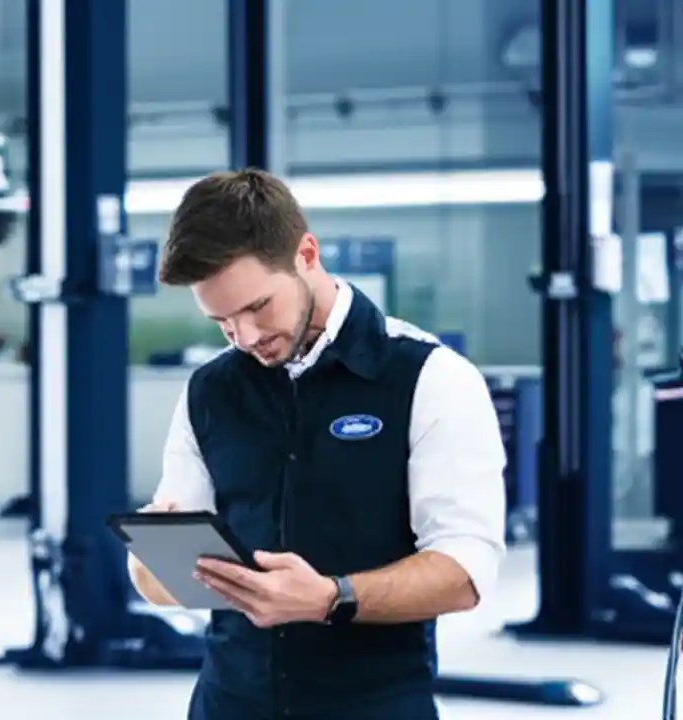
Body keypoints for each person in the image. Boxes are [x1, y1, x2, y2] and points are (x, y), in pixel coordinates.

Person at [127, 169, 506, 720]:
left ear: (307, 254)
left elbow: (466, 571)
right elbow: (160, 582)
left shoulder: (430, 378)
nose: (247, 337)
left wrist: (332, 596)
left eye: (258, 306)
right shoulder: (210, 391)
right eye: (222, 321)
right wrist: (156, 560)